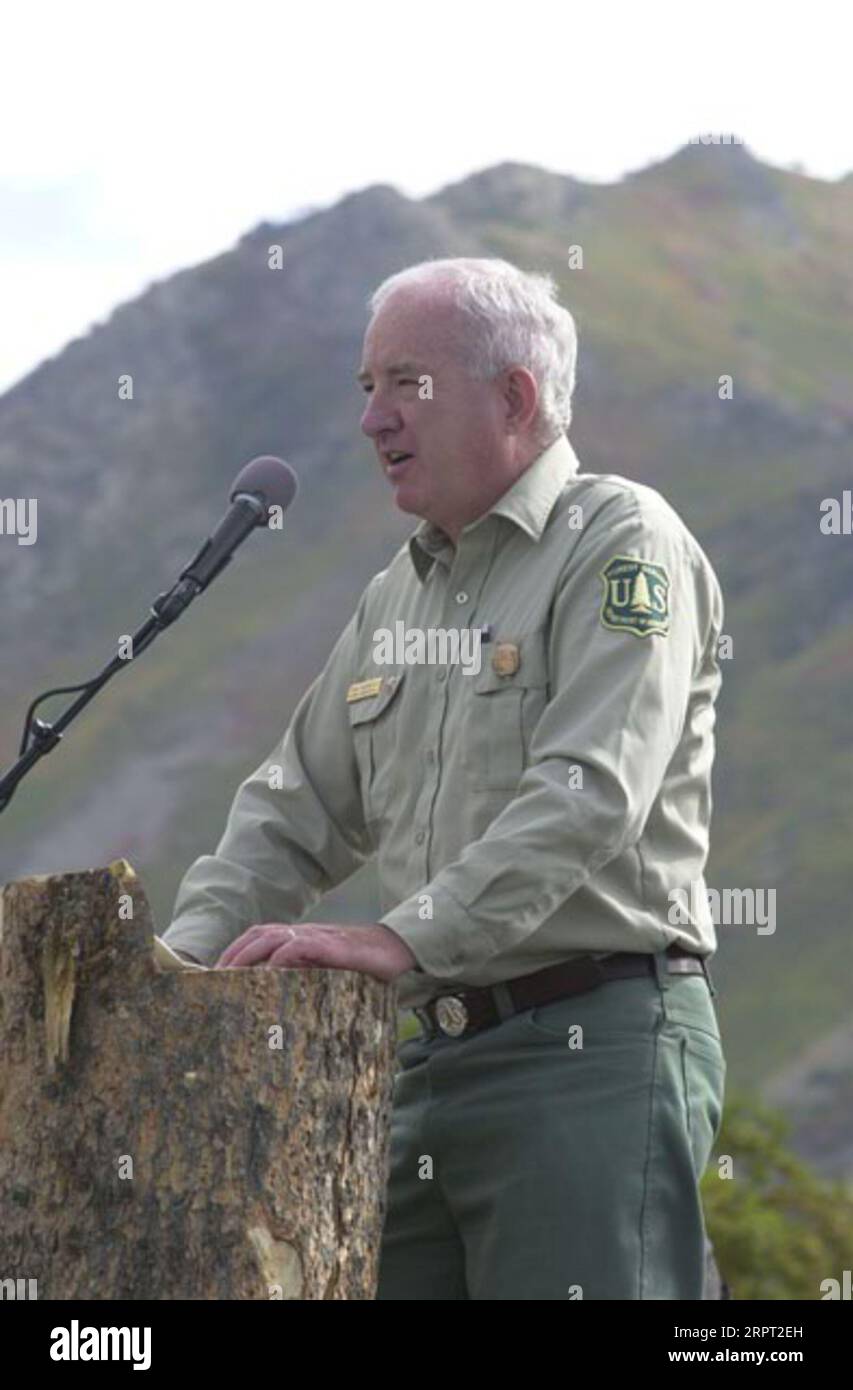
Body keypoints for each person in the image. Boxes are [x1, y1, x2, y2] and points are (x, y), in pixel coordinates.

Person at [164, 256, 727, 1300]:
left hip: (588, 1050)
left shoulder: (619, 541)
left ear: (514, 395)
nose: (372, 420)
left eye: (403, 384)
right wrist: (170, 986)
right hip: (421, 1067)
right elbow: (290, 815)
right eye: (365, 388)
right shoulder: (397, 595)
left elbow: (590, 789)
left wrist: (397, 939)